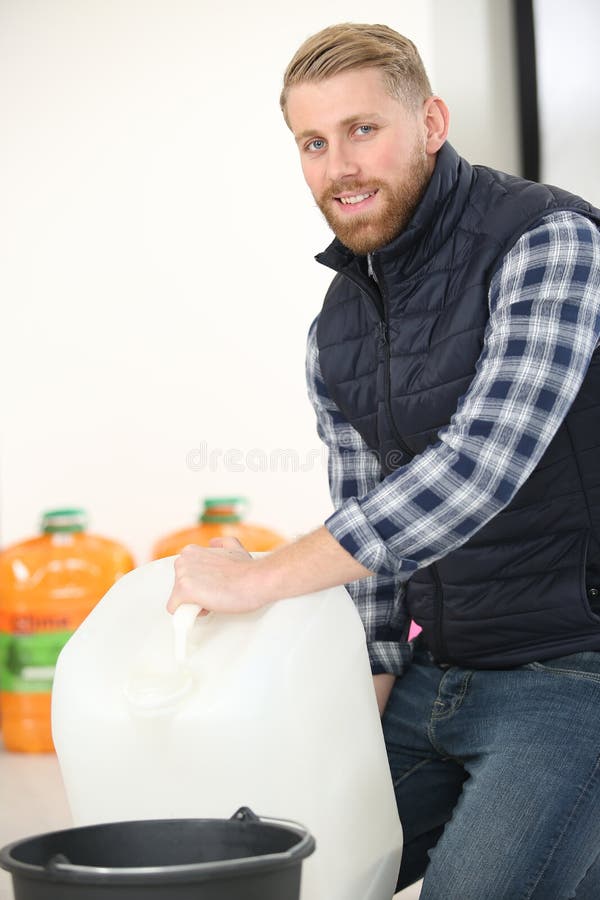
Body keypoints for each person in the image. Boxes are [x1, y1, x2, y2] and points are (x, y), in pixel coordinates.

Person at [168, 22, 600, 899]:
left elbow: (478, 468)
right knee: (270, 871)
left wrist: (262, 577)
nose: (339, 167)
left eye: (364, 129)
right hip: (437, 674)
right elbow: (371, 514)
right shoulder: (335, 325)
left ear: (432, 122)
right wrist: (367, 685)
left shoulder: (551, 242)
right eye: (314, 143)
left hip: (573, 673)